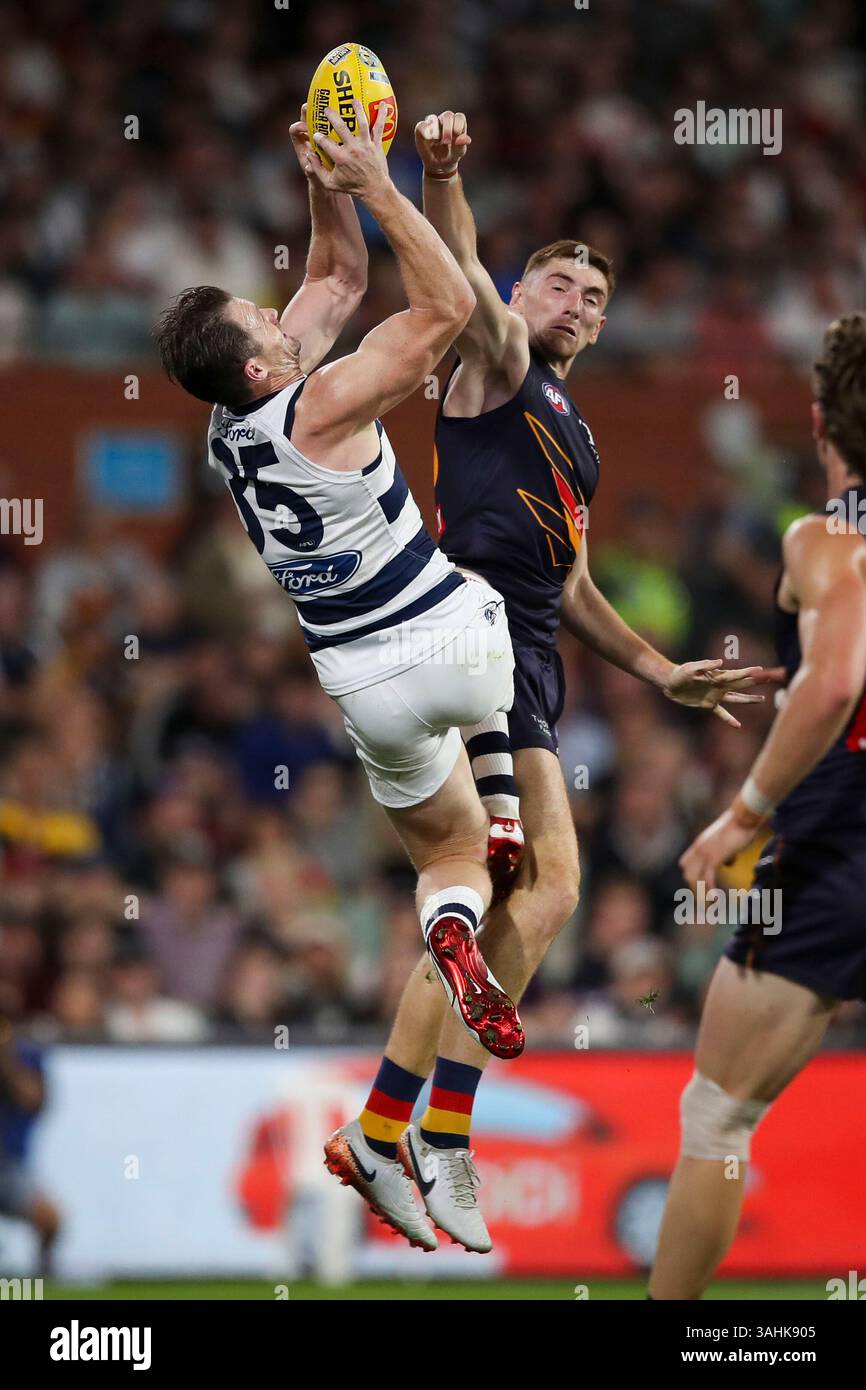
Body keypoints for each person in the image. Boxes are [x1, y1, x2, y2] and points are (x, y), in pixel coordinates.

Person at [341, 110, 780, 1256]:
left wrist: (654, 668)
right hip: (474, 637)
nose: (574, 302)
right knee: (545, 892)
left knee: (488, 908)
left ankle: (387, 1127)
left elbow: (575, 582)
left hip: (529, 655)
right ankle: (434, 1130)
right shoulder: (496, 361)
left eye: (592, 295)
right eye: (556, 283)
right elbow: (462, 276)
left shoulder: (574, 429)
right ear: (517, 294)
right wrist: (439, 175)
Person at [156, 103, 521, 1250]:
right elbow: (449, 309)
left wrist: (319, 167)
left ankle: (459, 919)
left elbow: (328, 272)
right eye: (260, 315)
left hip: (361, 684)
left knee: (446, 863)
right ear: (266, 359)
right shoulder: (324, 398)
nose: (276, 306)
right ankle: (508, 803)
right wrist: (378, 174)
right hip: (452, 633)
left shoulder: (232, 428)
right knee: (509, 613)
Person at [649, 314, 866, 1299]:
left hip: (838, 844)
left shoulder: (826, 538)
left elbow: (829, 685)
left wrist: (742, 811)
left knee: (716, 1118)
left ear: (817, 421)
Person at [0, 996, 61, 1276]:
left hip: (10, 1164)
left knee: (50, 1218)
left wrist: (6, 1059)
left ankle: (43, 1273)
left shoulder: (26, 1056)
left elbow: (33, 1100)